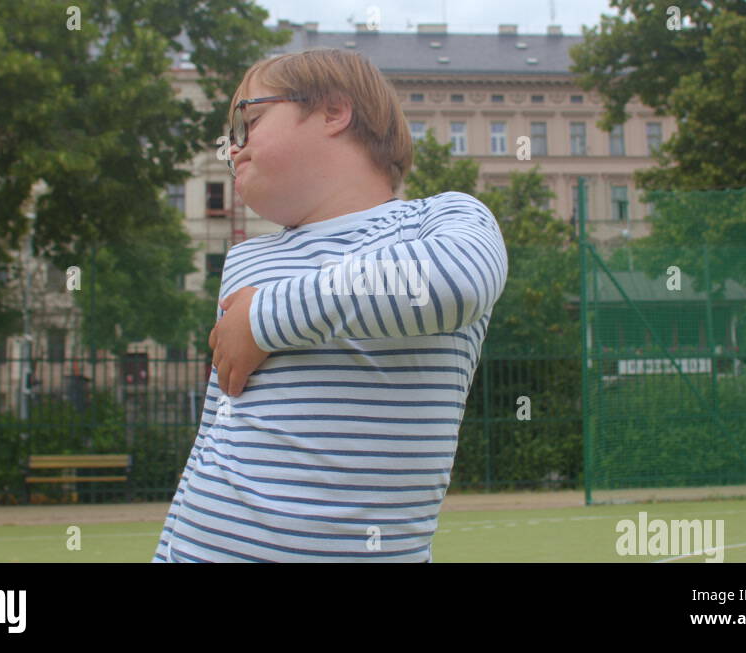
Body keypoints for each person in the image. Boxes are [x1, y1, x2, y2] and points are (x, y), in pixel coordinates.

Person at [152, 48, 508, 562]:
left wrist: (265, 318)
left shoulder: (440, 219)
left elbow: (455, 281)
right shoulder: (246, 260)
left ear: (333, 112)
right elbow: (216, 434)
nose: (232, 149)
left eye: (246, 122)